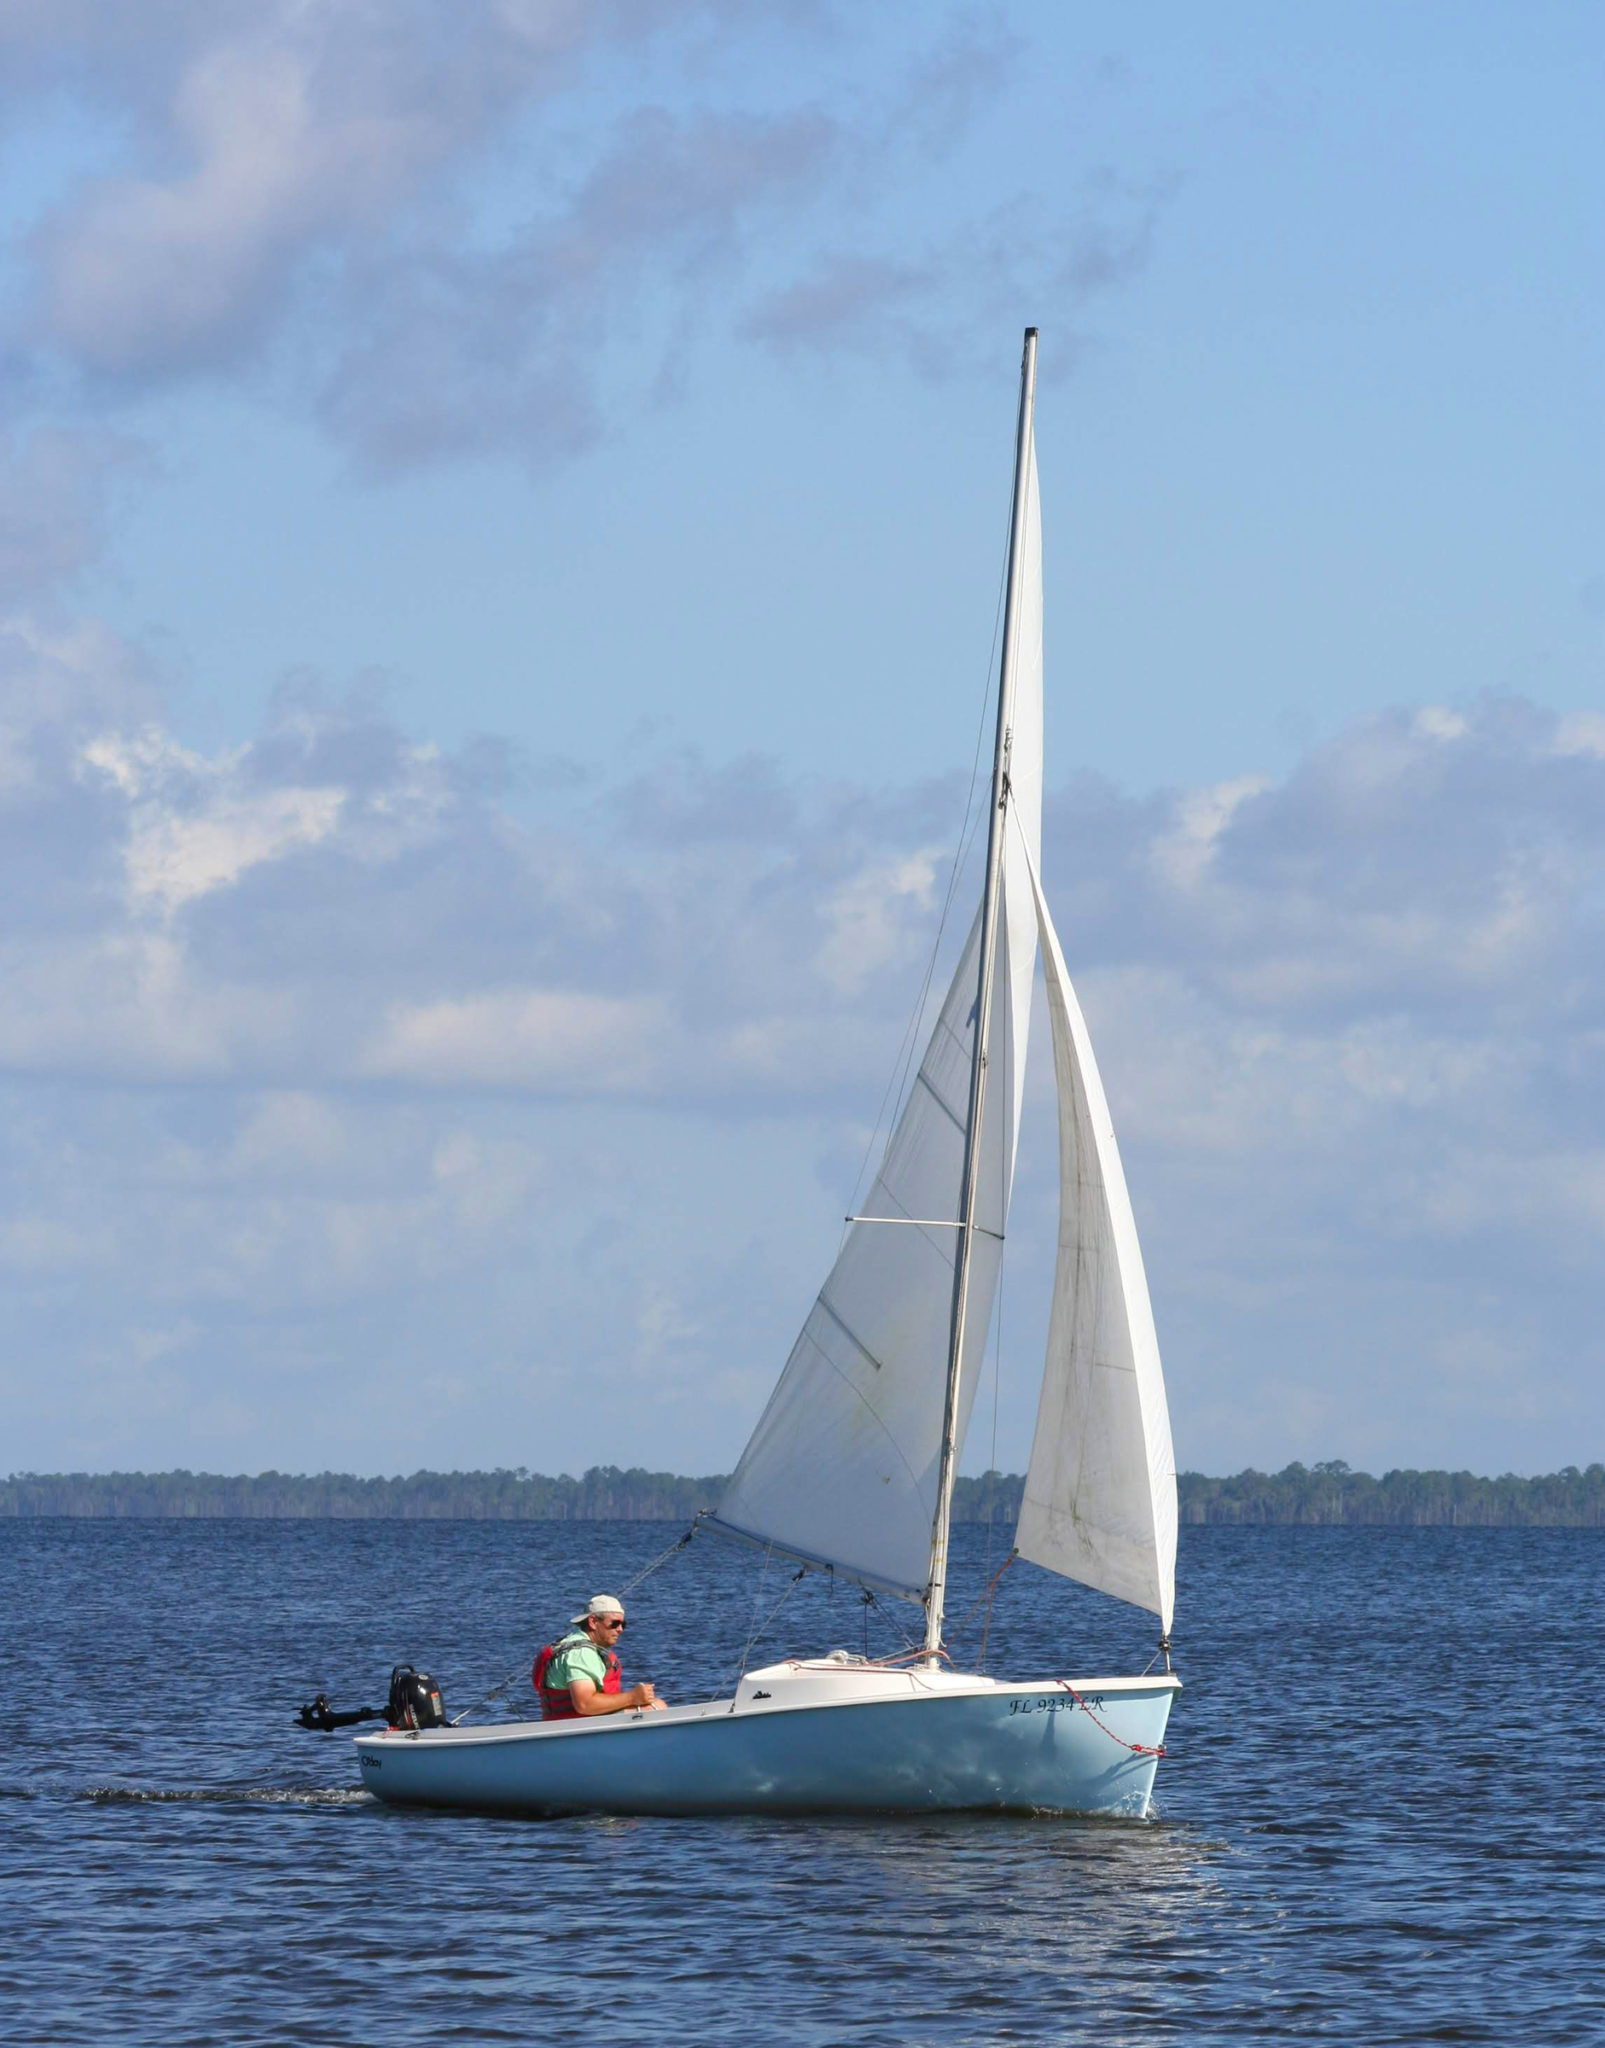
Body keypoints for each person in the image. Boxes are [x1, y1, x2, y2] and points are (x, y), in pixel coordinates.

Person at [533, 1594, 667, 1719]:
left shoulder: (575, 1644)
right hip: (576, 1725)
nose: (620, 1629)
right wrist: (632, 1697)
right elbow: (584, 1704)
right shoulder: (581, 1653)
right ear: (593, 1622)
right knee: (657, 1707)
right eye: (615, 1624)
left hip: (572, 1722)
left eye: (623, 1624)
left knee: (655, 1704)